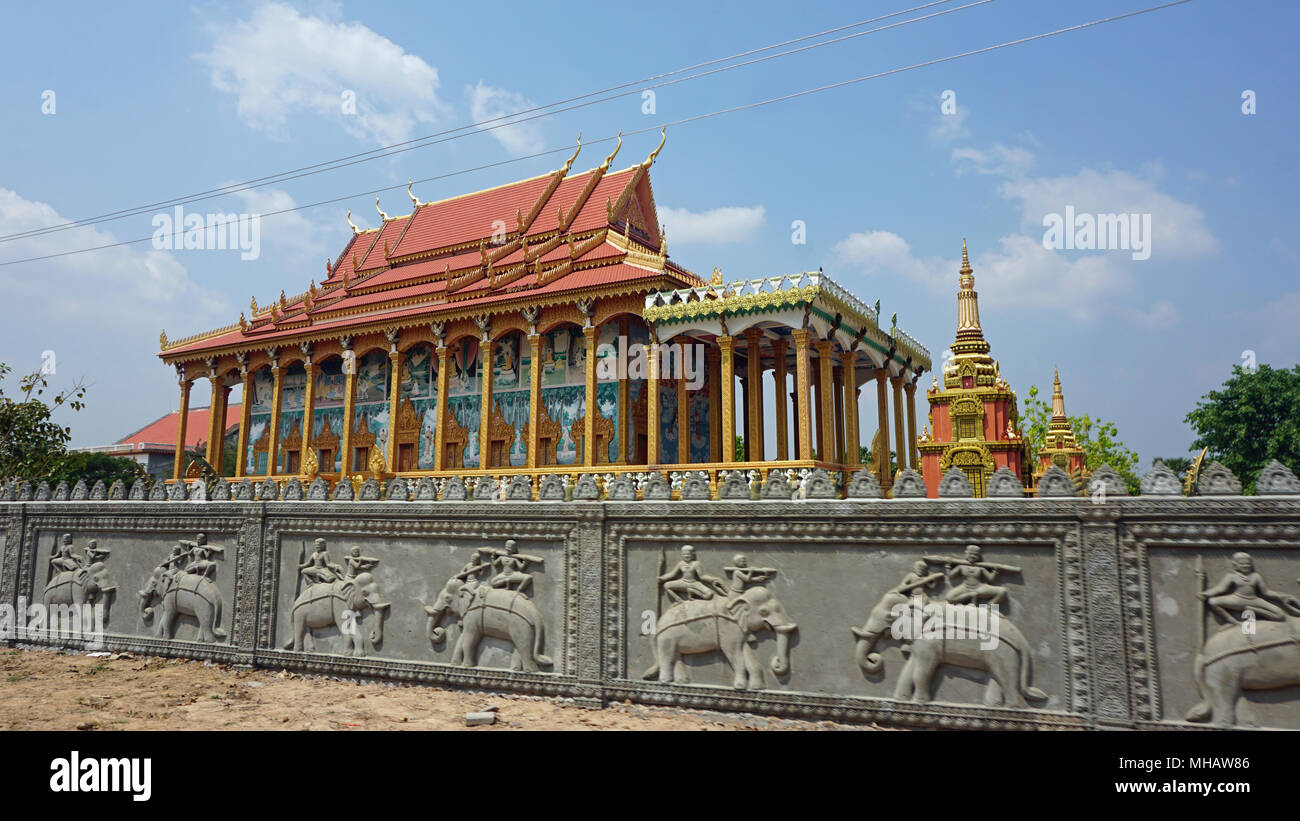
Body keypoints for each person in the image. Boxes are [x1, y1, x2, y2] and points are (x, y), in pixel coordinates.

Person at [1201, 552, 1300, 623]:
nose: (1245, 566)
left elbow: (1266, 592)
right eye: (1242, 564)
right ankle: (1232, 621)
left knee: (1280, 615)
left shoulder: (1256, 576)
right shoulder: (1231, 576)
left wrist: (1281, 596)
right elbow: (1220, 589)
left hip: (1254, 600)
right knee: (1213, 602)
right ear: (1235, 565)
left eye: (1247, 564)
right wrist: (1207, 594)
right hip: (1237, 599)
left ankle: (1254, 610)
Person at [926, 544, 1021, 606]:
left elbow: (990, 580)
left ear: (978, 556)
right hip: (965, 588)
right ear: (966, 555)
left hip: (980, 588)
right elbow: (951, 576)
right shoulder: (961, 566)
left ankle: (989, 608)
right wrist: (948, 566)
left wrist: (995, 571)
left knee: (1002, 591)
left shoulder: (981, 568)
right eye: (970, 555)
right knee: (949, 598)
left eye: (975, 555)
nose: (972, 557)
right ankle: (970, 596)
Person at [659, 545, 726, 602]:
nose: (686, 556)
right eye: (684, 554)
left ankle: (693, 592)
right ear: (681, 555)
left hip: (694, 583)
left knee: (709, 594)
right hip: (683, 582)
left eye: (688, 554)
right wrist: (662, 578)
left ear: (693, 554)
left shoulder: (696, 564)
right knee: (666, 585)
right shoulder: (680, 564)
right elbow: (672, 574)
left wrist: (713, 579)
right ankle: (678, 600)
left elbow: (702, 576)